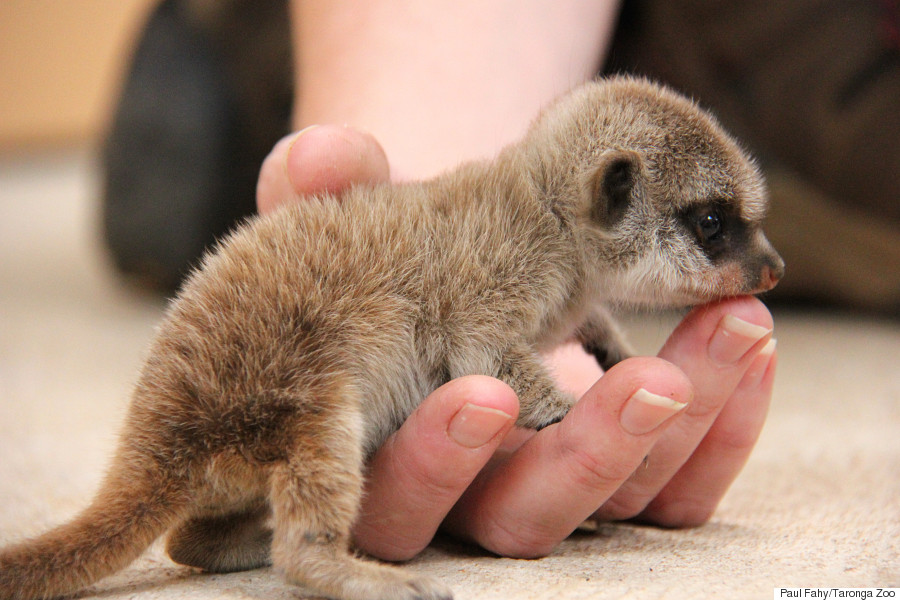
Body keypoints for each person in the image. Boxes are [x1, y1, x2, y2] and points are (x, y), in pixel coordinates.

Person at [101, 0, 896, 560]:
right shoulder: (519, 244)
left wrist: (607, 353)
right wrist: (552, 413)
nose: (764, 269)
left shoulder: (566, 257)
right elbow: (480, 336)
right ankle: (227, 53)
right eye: (716, 231)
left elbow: (561, 309)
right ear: (611, 199)